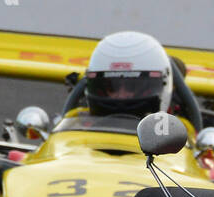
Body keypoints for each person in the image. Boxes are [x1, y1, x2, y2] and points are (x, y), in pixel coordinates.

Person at [57, 30, 202, 132]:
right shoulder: (76, 122)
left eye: (132, 87)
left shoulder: (178, 131)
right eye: (111, 88)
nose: (121, 95)